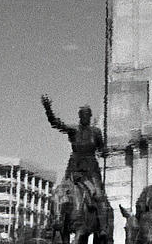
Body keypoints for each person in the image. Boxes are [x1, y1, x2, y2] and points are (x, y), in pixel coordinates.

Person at [41, 95, 108, 230]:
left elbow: (102, 148)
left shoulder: (96, 132)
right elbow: (56, 123)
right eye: (82, 115)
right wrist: (48, 109)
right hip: (74, 167)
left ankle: (103, 228)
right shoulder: (73, 130)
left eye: (87, 115)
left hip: (91, 169)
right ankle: (54, 221)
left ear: (90, 116)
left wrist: (104, 151)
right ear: (79, 116)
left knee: (99, 195)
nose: (85, 117)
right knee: (60, 193)